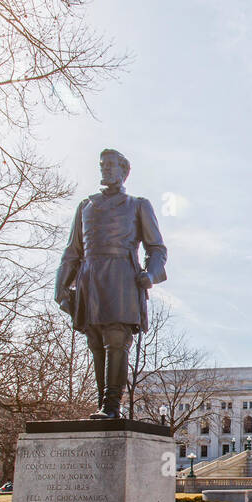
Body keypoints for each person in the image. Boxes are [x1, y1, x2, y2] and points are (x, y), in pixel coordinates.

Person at [55, 148, 167, 418]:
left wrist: (149, 275)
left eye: (111, 165)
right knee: (95, 341)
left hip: (122, 277)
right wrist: (60, 287)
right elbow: (73, 251)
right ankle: (102, 404)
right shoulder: (86, 206)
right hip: (90, 278)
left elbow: (157, 249)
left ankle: (111, 405)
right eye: (102, 165)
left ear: (123, 171)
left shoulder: (138, 204)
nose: (105, 169)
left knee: (116, 340)